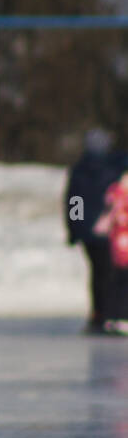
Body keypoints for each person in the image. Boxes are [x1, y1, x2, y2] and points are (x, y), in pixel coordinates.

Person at [65, 130, 128, 334]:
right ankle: (111, 316)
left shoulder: (81, 171)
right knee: (112, 274)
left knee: (99, 274)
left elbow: (75, 202)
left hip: (91, 233)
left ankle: (100, 314)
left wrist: (77, 228)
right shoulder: (116, 167)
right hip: (113, 231)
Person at [92, 171, 128, 334]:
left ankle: (113, 317)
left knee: (116, 283)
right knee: (119, 283)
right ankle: (118, 317)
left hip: (118, 247)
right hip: (120, 249)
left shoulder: (114, 196)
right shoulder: (117, 198)